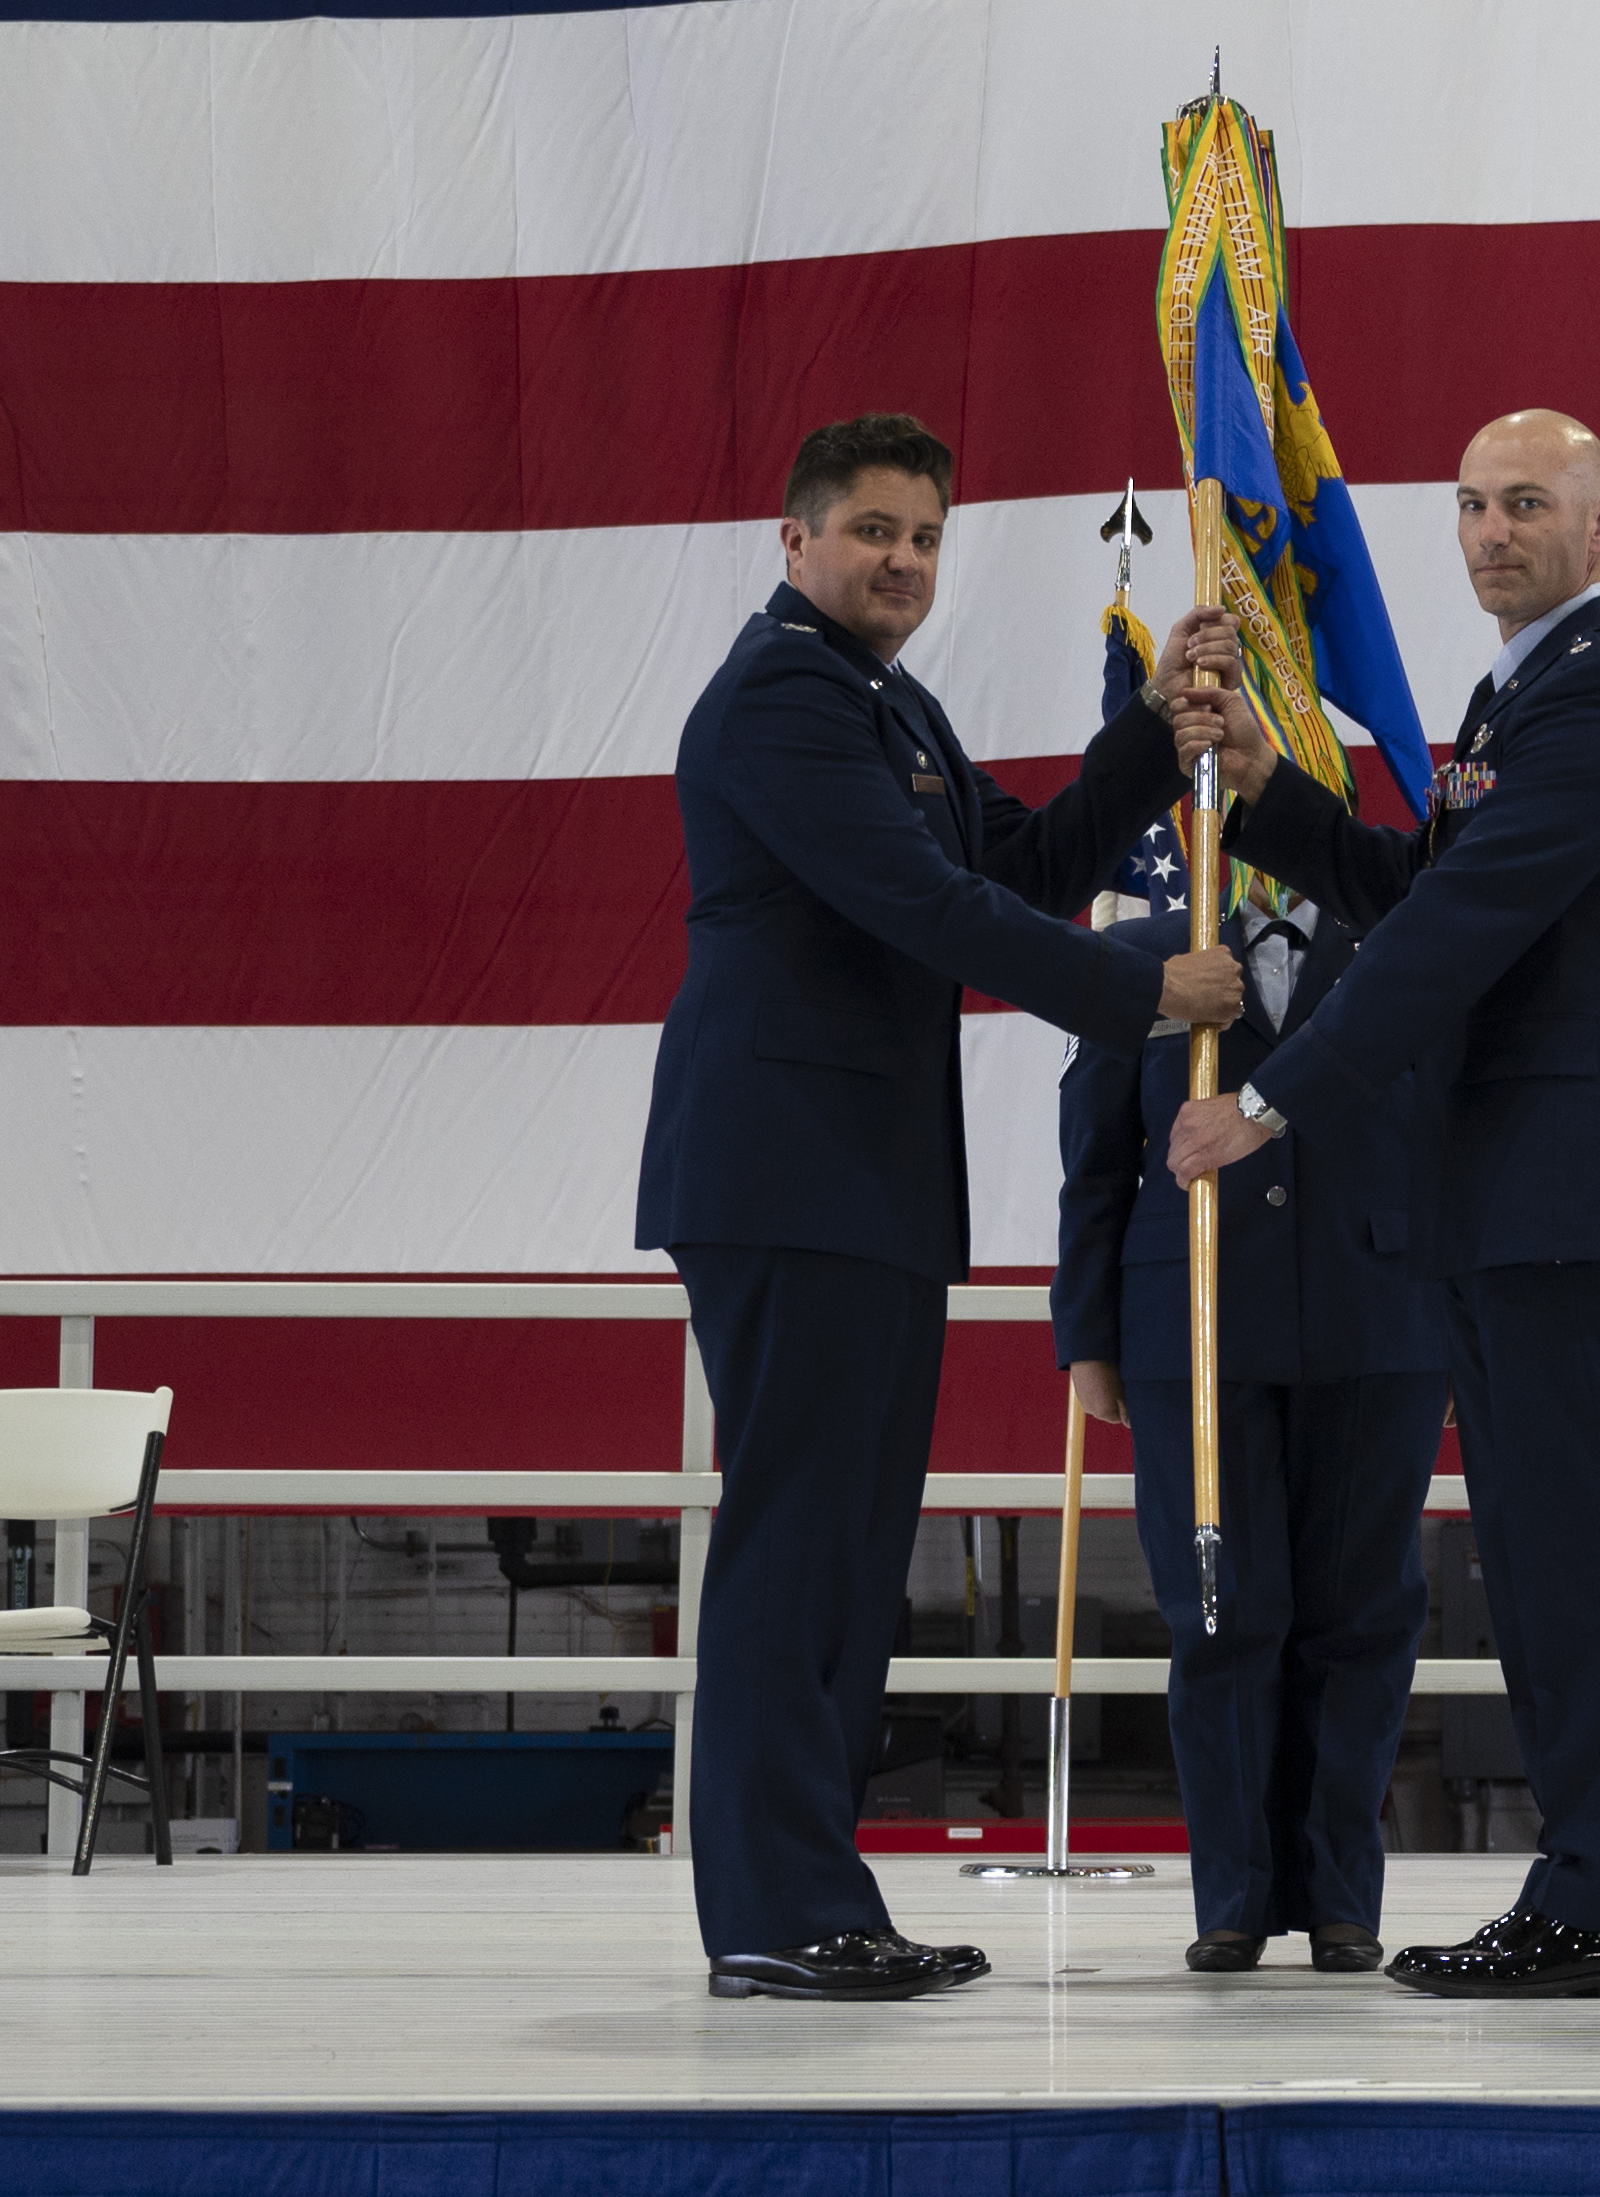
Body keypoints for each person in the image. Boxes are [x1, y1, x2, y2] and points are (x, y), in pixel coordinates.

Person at [638, 413, 1244, 2003]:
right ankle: (772, 1910)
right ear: (794, 539)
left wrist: (1152, 726)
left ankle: (813, 1897)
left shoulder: (883, 700)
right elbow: (926, 906)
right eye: (871, 531)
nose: (901, 560)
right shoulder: (781, 697)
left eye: (921, 537)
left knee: (847, 1558)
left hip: (864, 1180)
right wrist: (1143, 990)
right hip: (788, 1170)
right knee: (798, 1547)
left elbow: (1022, 861)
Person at [1167, 409, 1600, 1999]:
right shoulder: (1517, 690)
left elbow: (1453, 931)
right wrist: (1269, 794)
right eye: (1470, 504)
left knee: (1576, 1550)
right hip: (1500, 1181)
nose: (1489, 531)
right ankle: (1584, 1887)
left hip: (1561, 1176)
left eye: (1525, 502)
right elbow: (1421, 888)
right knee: (1531, 1557)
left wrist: (1268, 1100)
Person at [1053, 881, 1448, 1975]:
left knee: (1361, 1617)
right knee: (1220, 1610)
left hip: (1380, 1314)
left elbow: (1456, 1127)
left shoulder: (1406, 943)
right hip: (1190, 1322)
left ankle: (1339, 1899)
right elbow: (1096, 1155)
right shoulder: (1148, 954)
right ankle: (1232, 1896)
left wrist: (1461, 1317)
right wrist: (1087, 1334)